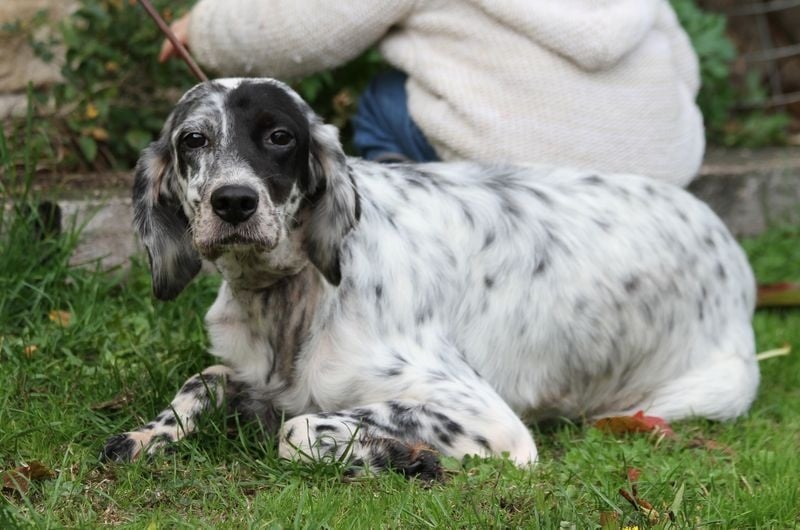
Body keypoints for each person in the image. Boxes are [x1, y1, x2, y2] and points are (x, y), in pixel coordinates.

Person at [160, 0, 704, 186]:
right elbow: (685, 66)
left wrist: (206, 29)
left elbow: (310, 24)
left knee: (382, 100)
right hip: (658, 181)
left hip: (527, 172)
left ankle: (414, 239)